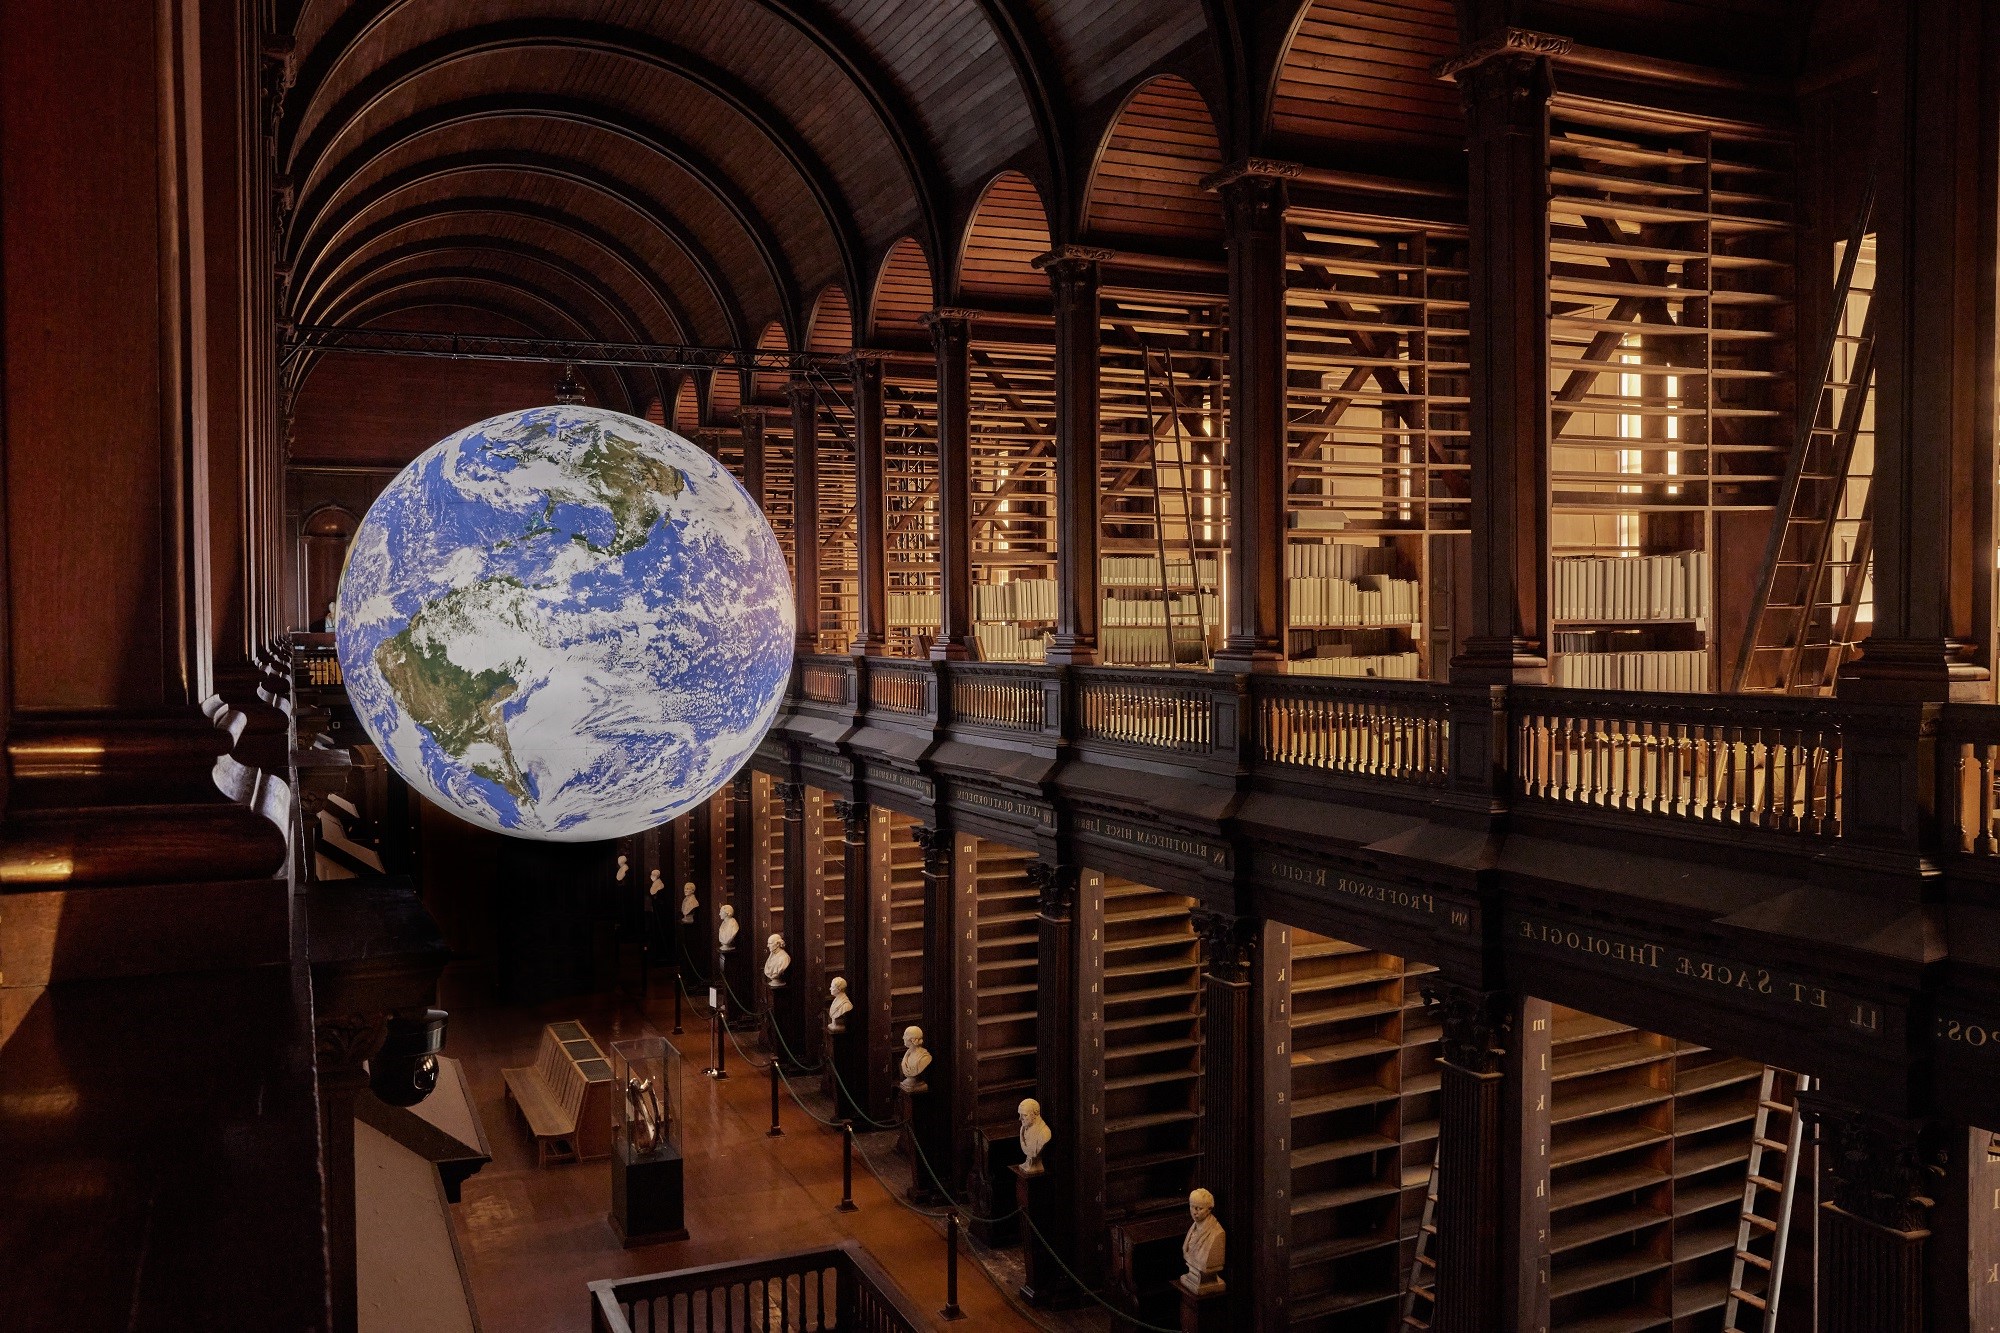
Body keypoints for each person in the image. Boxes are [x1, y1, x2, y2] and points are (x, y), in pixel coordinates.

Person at [1181, 1188, 1225, 1293]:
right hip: (1192, 1276)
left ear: (1209, 1209)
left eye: (1199, 1208)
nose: (1195, 1212)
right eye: (1192, 1207)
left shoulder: (1217, 1234)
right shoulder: (1193, 1227)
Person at [1017, 1098, 1050, 1174]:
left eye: (1024, 1115)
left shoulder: (1044, 1133)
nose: (1020, 1118)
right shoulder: (1023, 1128)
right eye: (1020, 1114)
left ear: (1035, 1114)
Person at [898, 1026, 931, 1091]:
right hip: (907, 1083)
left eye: (905, 1035)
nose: (903, 1037)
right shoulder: (907, 1054)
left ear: (912, 1039)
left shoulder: (925, 1057)